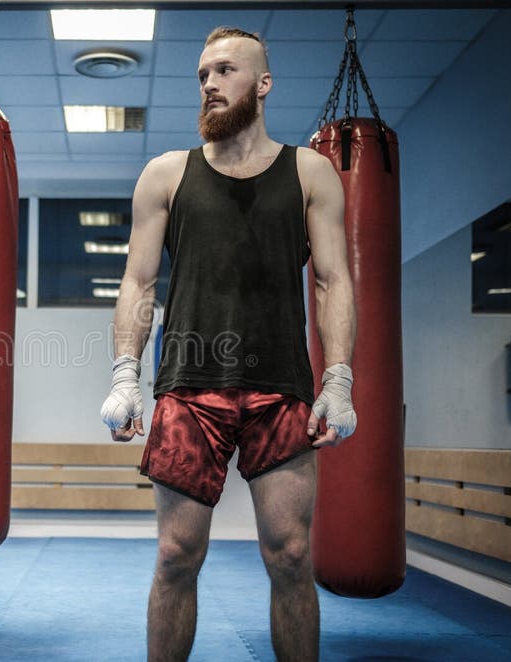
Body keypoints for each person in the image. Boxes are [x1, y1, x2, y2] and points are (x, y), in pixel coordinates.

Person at [100, 27, 358, 662]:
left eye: (223, 71)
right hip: (189, 388)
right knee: (175, 555)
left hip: (282, 388)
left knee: (291, 555)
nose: (209, 84)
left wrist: (340, 381)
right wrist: (125, 375)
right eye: (202, 75)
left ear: (262, 84)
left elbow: (332, 281)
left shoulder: (310, 172)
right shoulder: (166, 174)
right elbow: (138, 279)